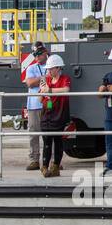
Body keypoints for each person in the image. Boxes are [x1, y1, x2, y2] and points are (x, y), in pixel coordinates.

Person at [39, 53, 71, 178]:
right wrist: (43, 92)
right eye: (48, 69)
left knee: (58, 141)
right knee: (47, 140)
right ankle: (45, 166)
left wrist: (50, 91)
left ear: (58, 68)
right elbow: (40, 98)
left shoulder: (65, 79)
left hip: (60, 114)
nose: (49, 71)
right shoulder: (45, 80)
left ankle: (56, 166)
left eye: (51, 68)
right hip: (47, 115)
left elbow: (66, 89)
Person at [22, 40, 47, 172]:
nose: (37, 56)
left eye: (39, 53)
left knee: (50, 133)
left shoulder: (52, 65)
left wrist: (40, 80)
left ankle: (52, 160)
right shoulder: (31, 68)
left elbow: (54, 82)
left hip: (48, 104)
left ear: (45, 52)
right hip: (34, 105)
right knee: (33, 133)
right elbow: (30, 83)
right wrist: (44, 78)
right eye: (35, 54)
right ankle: (34, 160)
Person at [98, 50, 112, 177]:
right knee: (109, 141)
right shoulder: (108, 76)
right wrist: (103, 89)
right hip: (109, 116)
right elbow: (100, 94)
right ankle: (110, 166)